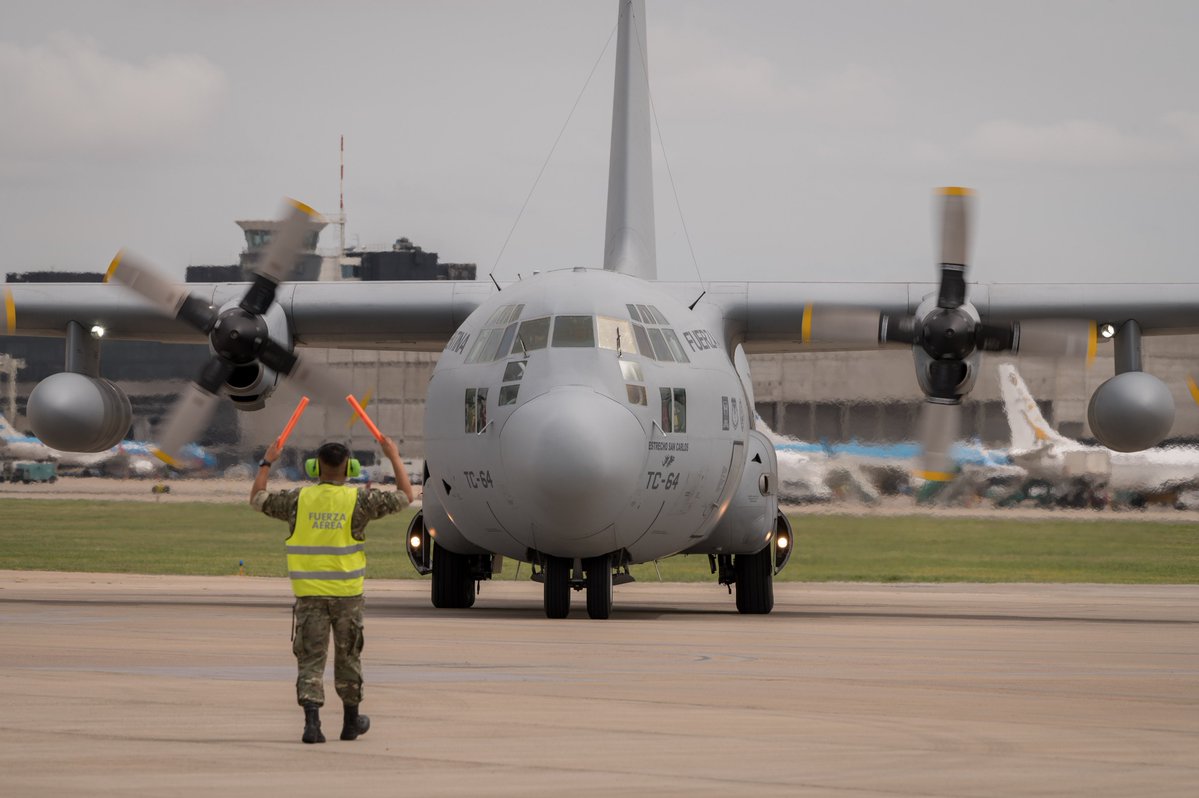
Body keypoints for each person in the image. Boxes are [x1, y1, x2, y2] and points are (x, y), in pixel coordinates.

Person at [250, 436, 415, 744]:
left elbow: (258, 498)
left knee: (311, 660)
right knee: (348, 656)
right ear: (349, 468)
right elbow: (406, 496)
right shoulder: (358, 501)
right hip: (347, 596)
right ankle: (351, 722)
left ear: (316, 468)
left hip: (309, 595)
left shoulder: (299, 500)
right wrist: (393, 456)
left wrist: (267, 461)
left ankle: (312, 725)